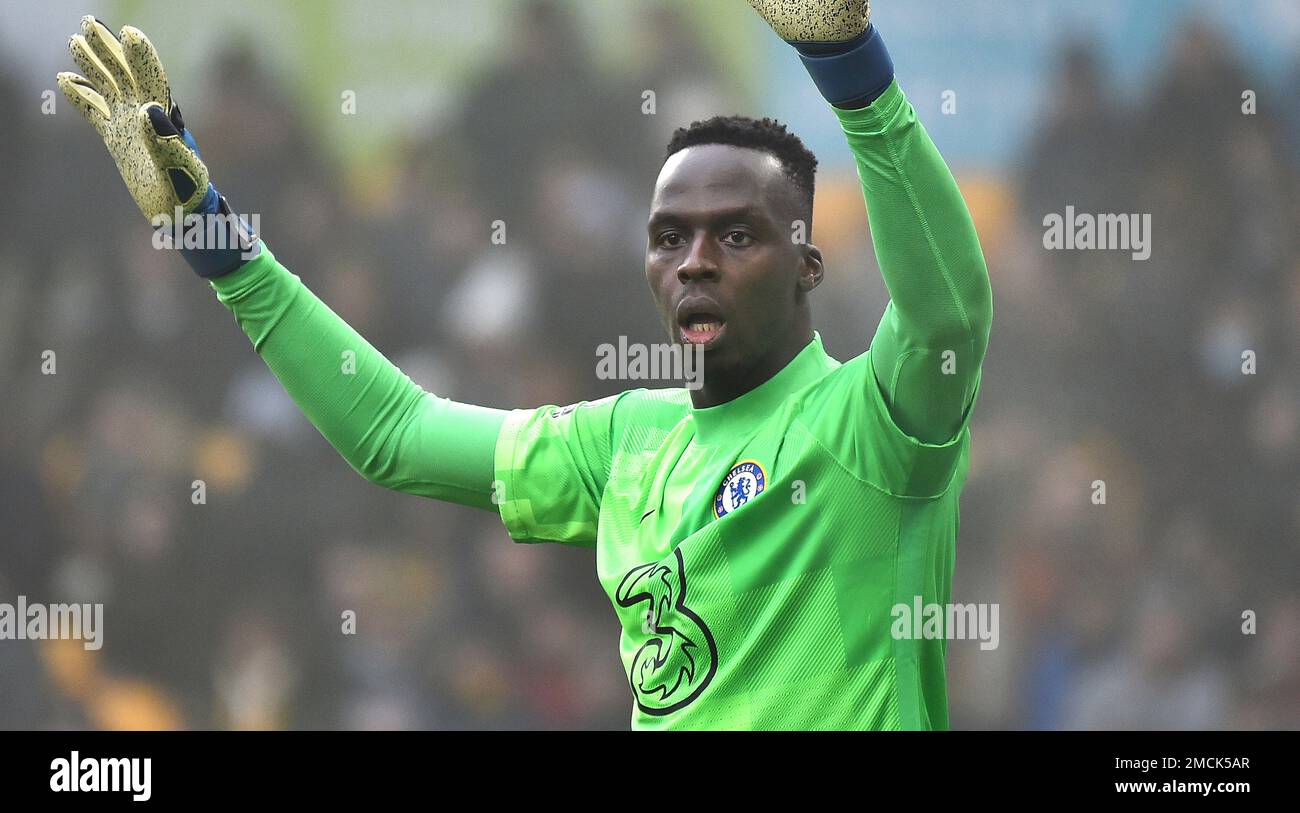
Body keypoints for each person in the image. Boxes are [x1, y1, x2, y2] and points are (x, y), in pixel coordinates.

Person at [58, 2, 991, 729]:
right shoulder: (627, 441)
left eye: (737, 234)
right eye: (669, 237)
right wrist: (214, 237)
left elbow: (948, 311)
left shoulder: (873, 423)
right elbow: (397, 434)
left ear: (808, 264)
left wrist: (853, 73)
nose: (695, 260)